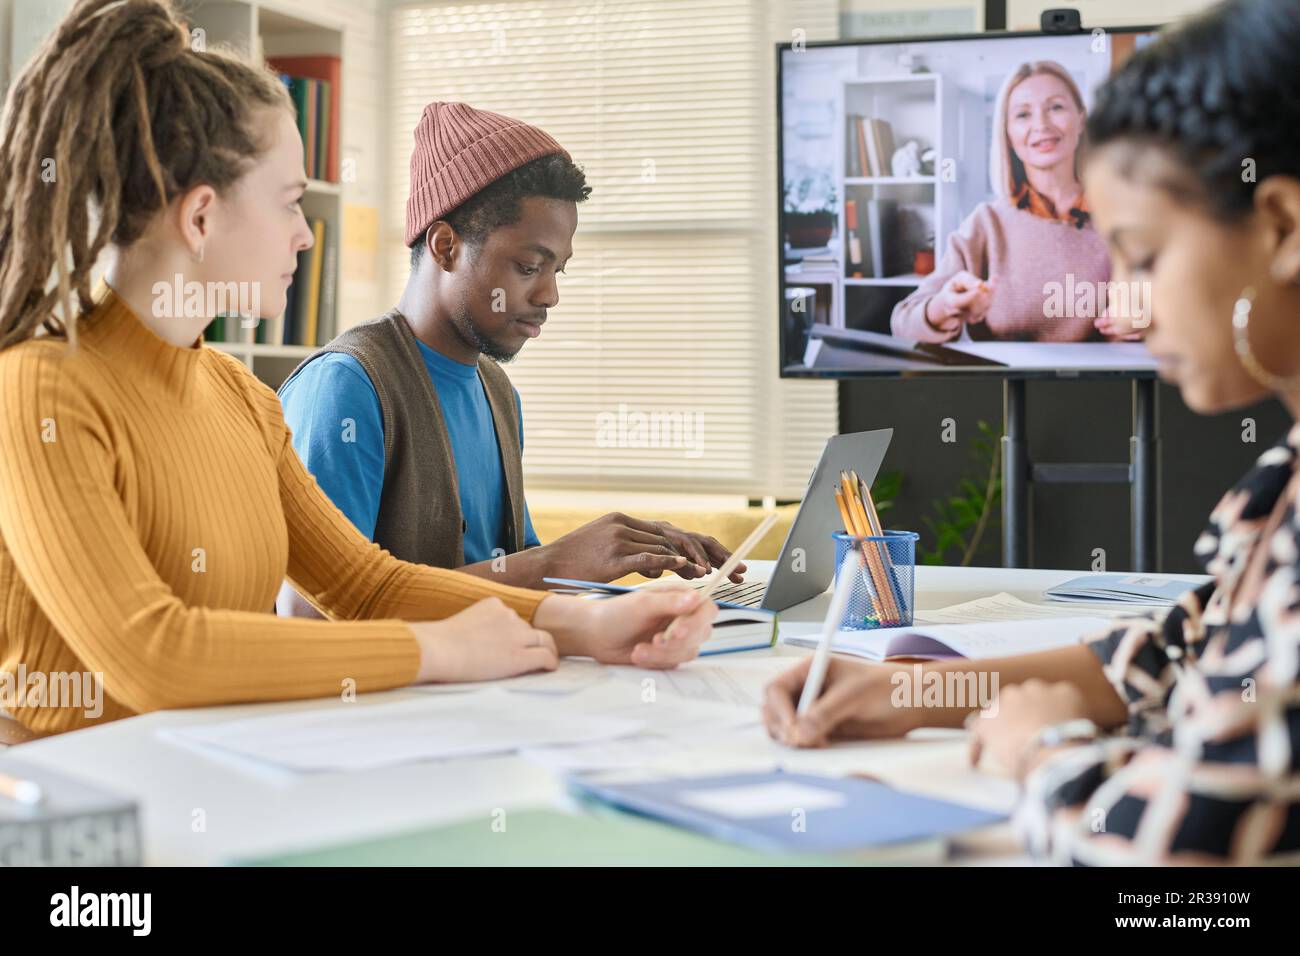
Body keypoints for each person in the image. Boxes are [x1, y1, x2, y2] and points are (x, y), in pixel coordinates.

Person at [0, 0, 716, 741]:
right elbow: (154, 655)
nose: (307, 237)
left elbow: (363, 583)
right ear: (202, 217)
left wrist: (586, 624)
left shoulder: (238, 397)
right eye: (288, 203)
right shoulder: (40, 389)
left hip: (212, 778)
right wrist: (432, 651)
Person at [768, 0, 1300, 864]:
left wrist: (1041, 752)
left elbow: (1180, 868)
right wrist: (913, 693)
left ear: (1278, 227)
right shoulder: (1279, 483)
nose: (1123, 292)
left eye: (1148, 257)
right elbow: (1174, 653)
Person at [276, 103, 744, 619]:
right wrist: (557, 561)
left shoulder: (497, 392)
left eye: (558, 271)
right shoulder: (347, 386)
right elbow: (312, 615)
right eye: (528, 266)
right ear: (446, 246)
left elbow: (516, 578)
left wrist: (629, 569)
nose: (549, 295)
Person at [891, 60, 1139, 344]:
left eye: (1056, 107)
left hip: (1112, 387)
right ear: (1007, 133)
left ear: (1081, 119)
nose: (1041, 125)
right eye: (1023, 114)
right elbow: (903, 321)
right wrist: (944, 306)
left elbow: (1178, 309)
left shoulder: (1123, 218)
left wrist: (1148, 320)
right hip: (1007, 389)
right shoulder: (986, 223)